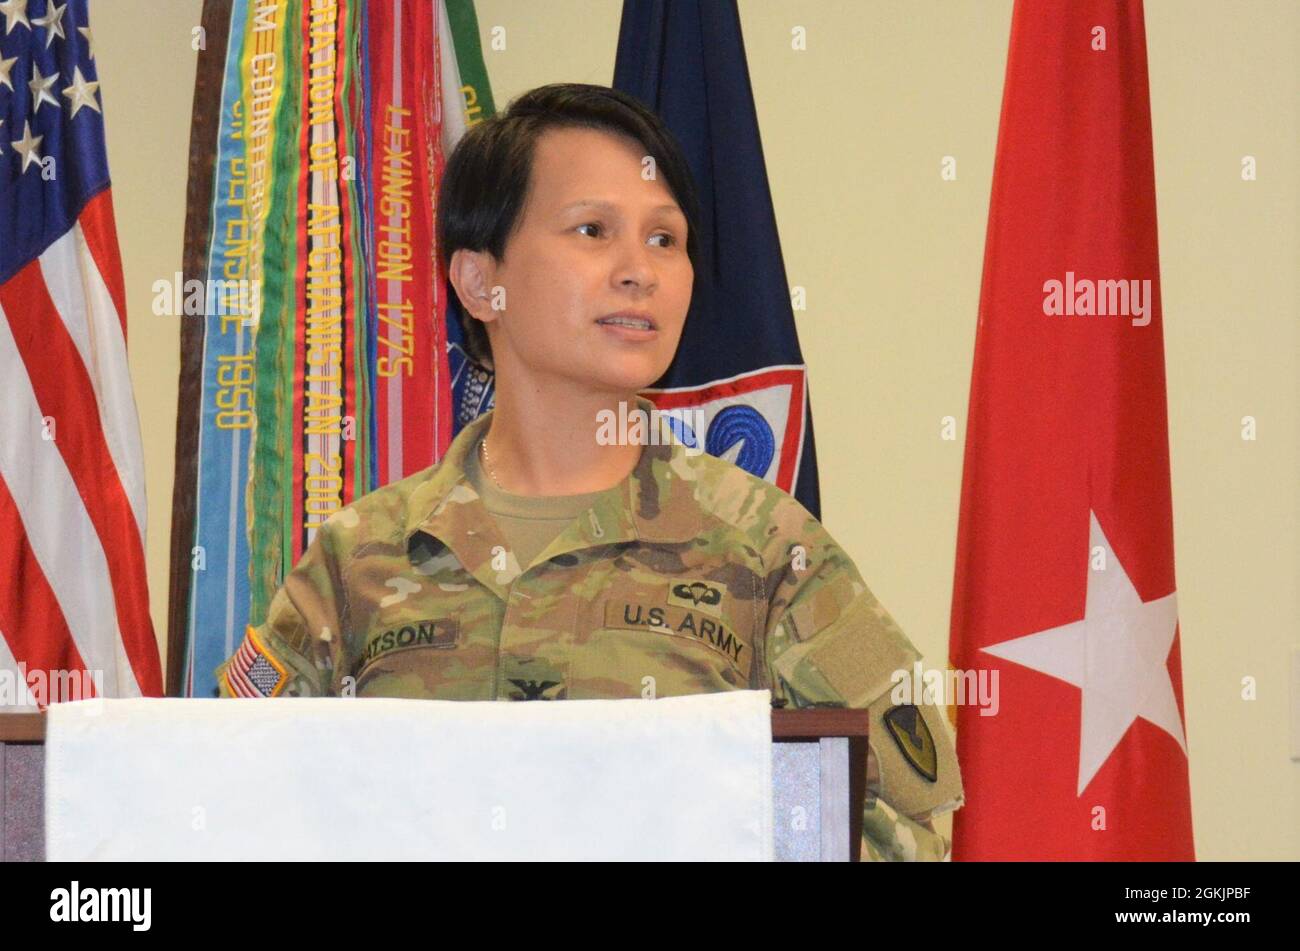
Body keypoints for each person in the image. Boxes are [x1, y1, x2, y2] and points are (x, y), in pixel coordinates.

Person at [216, 82, 964, 861]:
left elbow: (901, 822)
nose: (640, 270)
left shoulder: (768, 550)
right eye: (593, 229)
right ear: (480, 281)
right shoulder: (357, 560)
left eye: (666, 239)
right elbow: (224, 802)